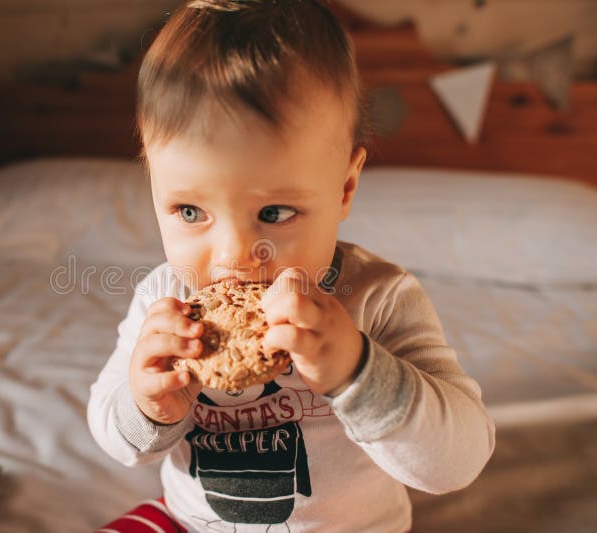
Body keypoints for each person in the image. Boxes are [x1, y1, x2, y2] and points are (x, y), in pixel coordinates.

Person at [88, 1, 495, 531]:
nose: (234, 256)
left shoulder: (379, 298)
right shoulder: (161, 300)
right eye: (191, 211)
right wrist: (146, 405)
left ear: (345, 187)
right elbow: (111, 434)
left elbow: (459, 460)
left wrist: (358, 373)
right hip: (194, 522)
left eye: (274, 213)